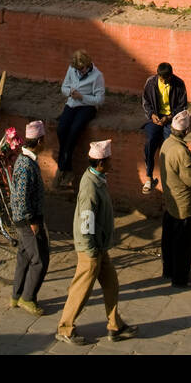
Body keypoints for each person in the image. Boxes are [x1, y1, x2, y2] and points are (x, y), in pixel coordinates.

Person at [56, 139, 138, 345]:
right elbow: (86, 219)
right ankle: (65, 327)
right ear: (101, 163)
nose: (111, 163)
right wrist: (91, 249)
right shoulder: (90, 187)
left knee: (111, 283)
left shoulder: (97, 178)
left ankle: (115, 325)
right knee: (81, 288)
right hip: (91, 248)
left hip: (99, 245)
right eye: (109, 160)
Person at [10, 120, 49, 316]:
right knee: (39, 260)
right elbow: (22, 197)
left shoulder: (26, 160)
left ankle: (16, 295)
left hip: (26, 217)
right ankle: (28, 298)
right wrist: (32, 222)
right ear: (39, 140)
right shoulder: (26, 165)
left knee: (24, 256)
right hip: (27, 219)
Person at [159, 110, 191, 288]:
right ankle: (180, 278)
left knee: (168, 239)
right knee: (183, 244)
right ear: (186, 131)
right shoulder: (182, 151)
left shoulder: (167, 144)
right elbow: (190, 179)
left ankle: (168, 270)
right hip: (183, 204)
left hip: (170, 200)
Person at [55, 50, 104, 188]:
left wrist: (82, 97)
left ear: (88, 65)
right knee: (61, 129)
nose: (80, 72)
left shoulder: (97, 76)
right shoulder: (71, 70)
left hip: (87, 106)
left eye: (82, 69)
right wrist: (70, 92)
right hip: (72, 103)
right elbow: (64, 87)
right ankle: (68, 169)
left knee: (74, 131)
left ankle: (61, 168)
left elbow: (99, 99)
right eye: (77, 69)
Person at [141, 62, 187, 193]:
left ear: (170, 77)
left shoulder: (179, 84)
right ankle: (149, 177)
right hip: (155, 118)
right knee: (150, 142)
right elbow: (145, 102)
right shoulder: (151, 82)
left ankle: (170, 179)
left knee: (170, 146)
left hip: (171, 119)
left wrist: (169, 117)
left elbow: (182, 106)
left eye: (165, 79)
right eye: (160, 78)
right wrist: (152, 114)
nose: (162, 81)